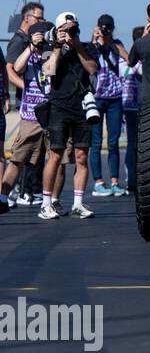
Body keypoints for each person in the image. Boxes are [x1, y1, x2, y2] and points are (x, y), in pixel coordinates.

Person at [38, 12, 99, 220]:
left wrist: (78, 46)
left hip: (82, 107)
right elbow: (48, 71)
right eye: (66, 29)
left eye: (74, 28)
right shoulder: (49, 49)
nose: (71, 33)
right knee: (55, 155)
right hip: (59, 106)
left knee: (82, 157)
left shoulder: (86, 48)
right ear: (57, 30)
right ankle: (46, 204)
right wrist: (57, 46)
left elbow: (92, 69)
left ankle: (78, 204)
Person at [4, 1, 45, 208]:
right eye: (39, 18)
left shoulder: (32, 40)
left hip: (39, 102)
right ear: (27, 18)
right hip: (27, 103)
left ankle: (28, 190)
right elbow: (10, 70)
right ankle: (12, 193)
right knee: (22, 152)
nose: (41, 22)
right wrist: (27, 86)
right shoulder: (19, 41)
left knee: (36, 153)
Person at [88, 14, 130, 197]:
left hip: (115, 98)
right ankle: (98, 181)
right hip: (97, 97)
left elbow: (129, 59)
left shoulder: (116, 44)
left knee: (113, 142)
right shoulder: (93, 46)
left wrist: (110, 42)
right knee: (96, 142)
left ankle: (114, 181)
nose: (106, 31)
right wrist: (94, 40)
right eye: (103, 28)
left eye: (109, 29)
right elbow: (87, 61)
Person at [122, 27, 143, 194]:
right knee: (133, 145)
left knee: (136, 145)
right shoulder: (131, 60)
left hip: (136, 106)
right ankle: (132, 181)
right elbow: (129, 70)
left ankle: (135, 180)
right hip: (132, 107)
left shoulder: (131, 60)